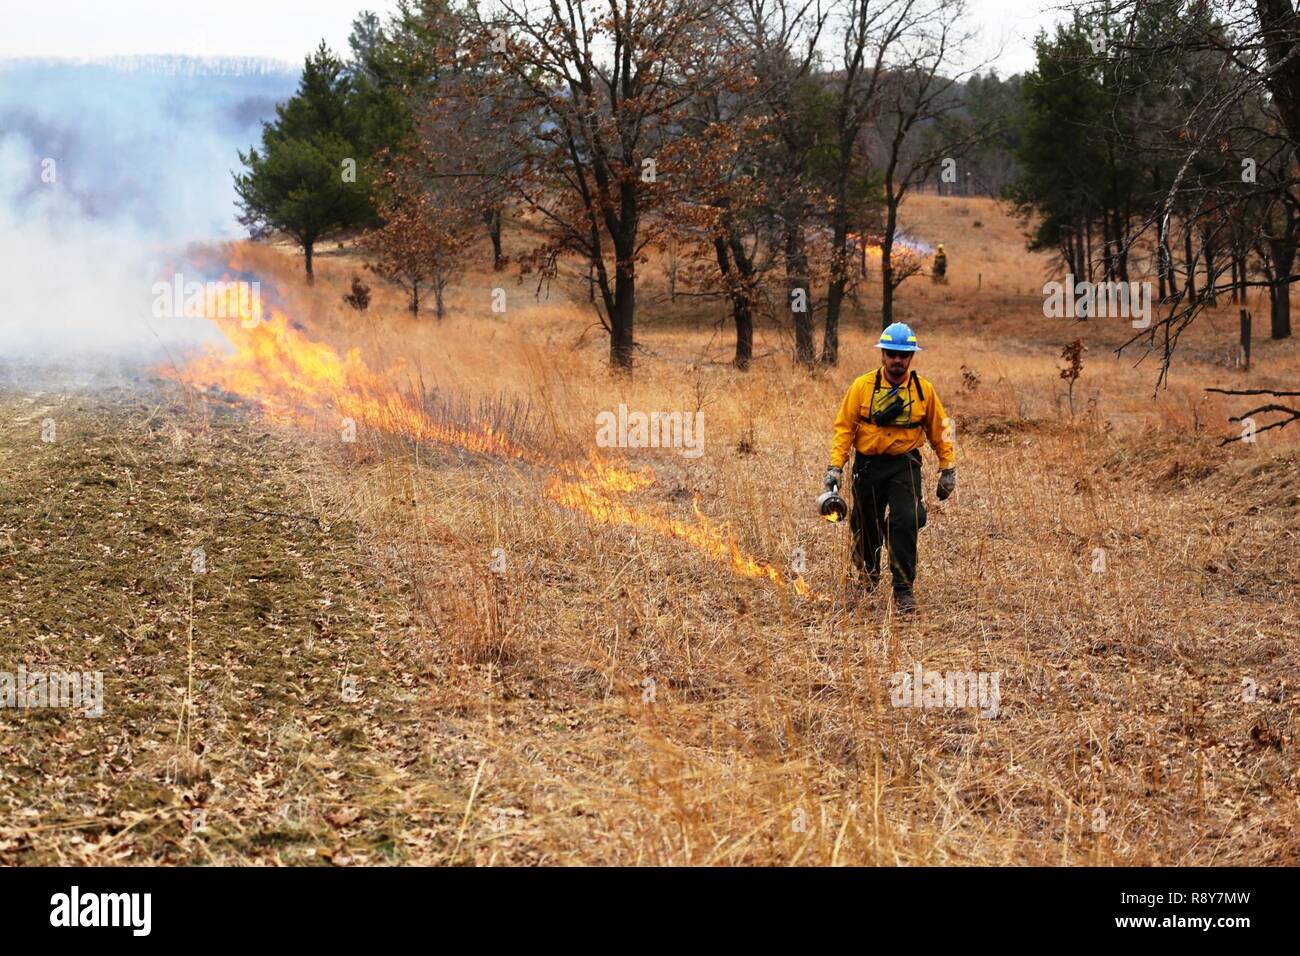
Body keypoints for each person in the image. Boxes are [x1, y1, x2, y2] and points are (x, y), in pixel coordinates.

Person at [823, 322, 956, 612]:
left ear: (911, 358)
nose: (897, 360)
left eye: (903, 355)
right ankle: (867, 578)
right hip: (868, 466)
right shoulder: (862, 386)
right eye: (892, 353)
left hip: (904, 465)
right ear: (882, 354)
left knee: (906, 520)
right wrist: (836, 466)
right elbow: (844, 428)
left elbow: (941, 429)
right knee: (865, 525)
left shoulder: (924, 391)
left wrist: (948, 468)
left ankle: (903, 590)